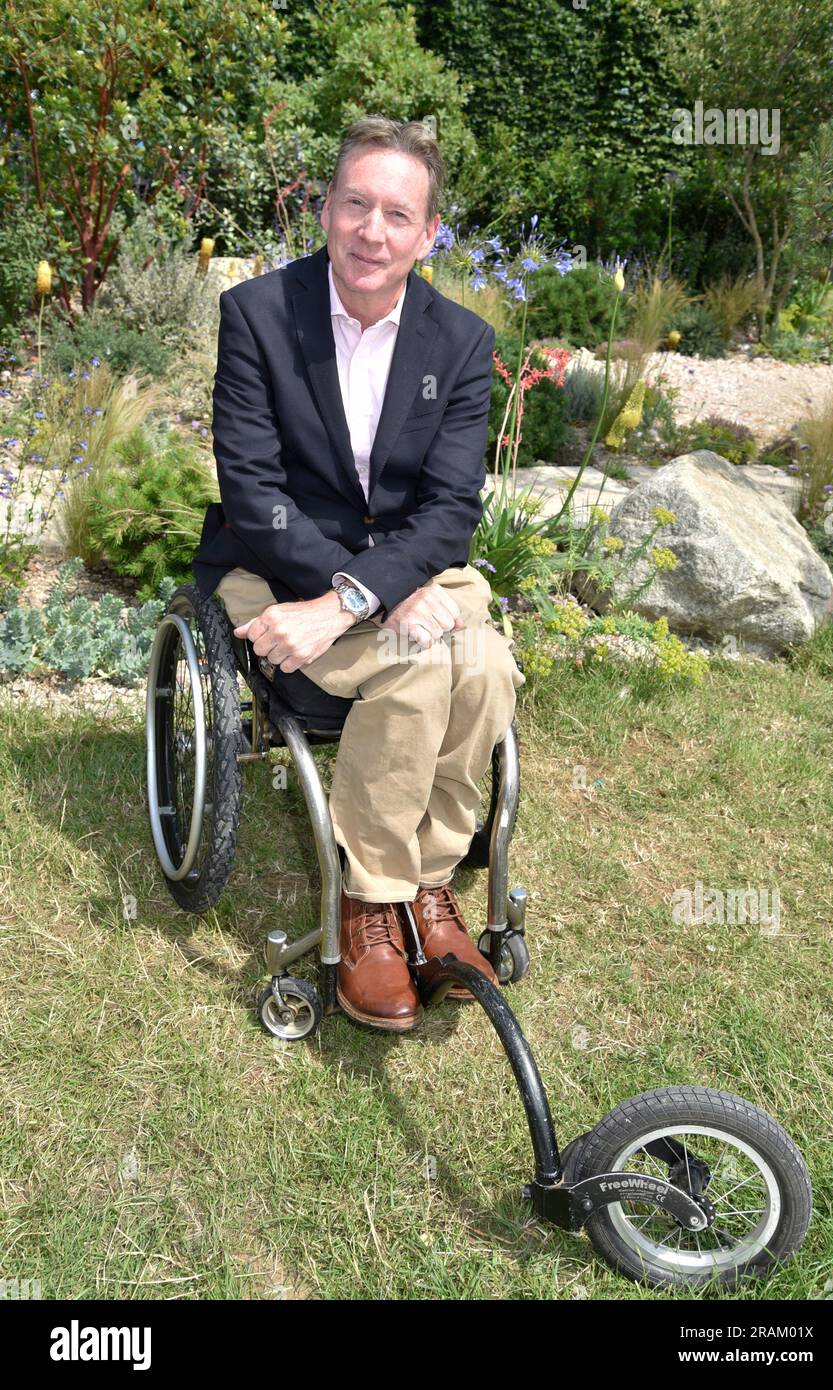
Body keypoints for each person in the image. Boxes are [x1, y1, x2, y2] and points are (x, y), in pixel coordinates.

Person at [192, 115, 526, 1033]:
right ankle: (371, 903)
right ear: (325, 209)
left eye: (396, 214)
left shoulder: (458, 342)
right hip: (276, 558)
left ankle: (427, 886)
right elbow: (253, 491)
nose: (371, 232)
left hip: (410, 566)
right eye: (354, 204)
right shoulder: (259, 314)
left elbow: (453, 506)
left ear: (427, 235)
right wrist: (359, 592)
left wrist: (364, 592)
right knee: (419, 672)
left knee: (487, 668)